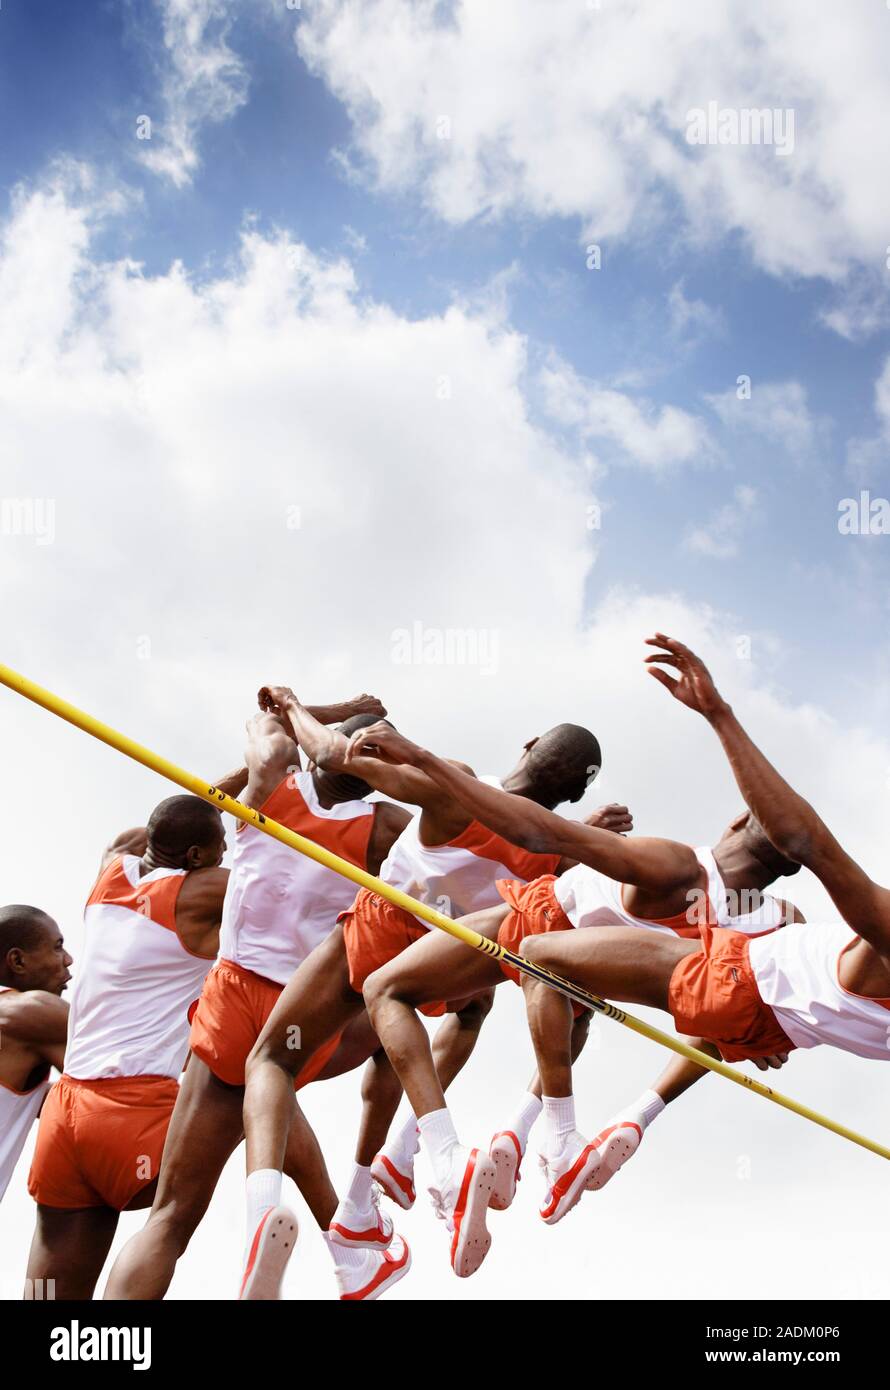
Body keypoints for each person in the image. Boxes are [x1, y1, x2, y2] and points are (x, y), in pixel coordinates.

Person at [346, 719, 802, 1261]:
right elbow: (787, 998)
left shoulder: (674, 861)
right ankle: (608, 1119)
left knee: (388, 989)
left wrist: (422, 757)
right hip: (613, 971)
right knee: (731, 1012)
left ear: (738, 819)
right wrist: (762, 1035)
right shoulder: (781, 922)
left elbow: (544, 833)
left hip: (543, 924)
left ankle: (464, 1152)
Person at [241, 686, 615, 1286]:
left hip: (382, 932)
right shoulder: (557, 844)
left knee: (270, 1060)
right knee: (465, 1012)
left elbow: (334, 756)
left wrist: (291, 706)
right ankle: (374, 1187)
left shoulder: (460, 784)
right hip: (449, 966)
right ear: (574, 795)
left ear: (527, 745)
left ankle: (281, 1210)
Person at [106, 694, 416, 1303]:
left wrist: (320, 708)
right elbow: (460, 844)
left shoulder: (271, 783)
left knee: (168, 1218)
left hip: (230, 999)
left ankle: (282, 1222)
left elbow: (267, 715)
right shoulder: (385, 828)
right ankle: (354, 1221)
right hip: (302, 1016)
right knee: (395, 1010)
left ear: (323, 750)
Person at [26, 795, 229, 1299]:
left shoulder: (110, 870)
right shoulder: (203, 892)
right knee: (257, 1082)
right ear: (198, 857)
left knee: (51, 1296)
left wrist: (220, 792)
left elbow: (158, 829)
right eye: (219, 845)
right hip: (134, 1111)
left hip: (66, 1119)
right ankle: (342, 1225)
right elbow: (289, 875)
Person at [0, 906, 71, 1210]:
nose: (68, 959)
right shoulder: (30, 1011)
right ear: (17, 960)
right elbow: (125, 1054)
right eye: (57, 946)